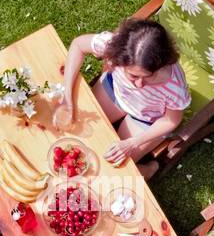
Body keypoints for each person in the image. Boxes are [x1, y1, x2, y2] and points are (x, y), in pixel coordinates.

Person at [56, 18, 190, 179]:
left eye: (149, 77)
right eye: (133, 75)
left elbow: (171, 121)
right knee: (73, 130)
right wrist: (67, 97)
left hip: (146, 118)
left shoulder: (175, 86)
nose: (139, 84)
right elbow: (78, 45)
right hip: (115, 93)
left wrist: (133, 143)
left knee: (111, 168)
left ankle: (151, 167)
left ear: (162, 64)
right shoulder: (113, 45)